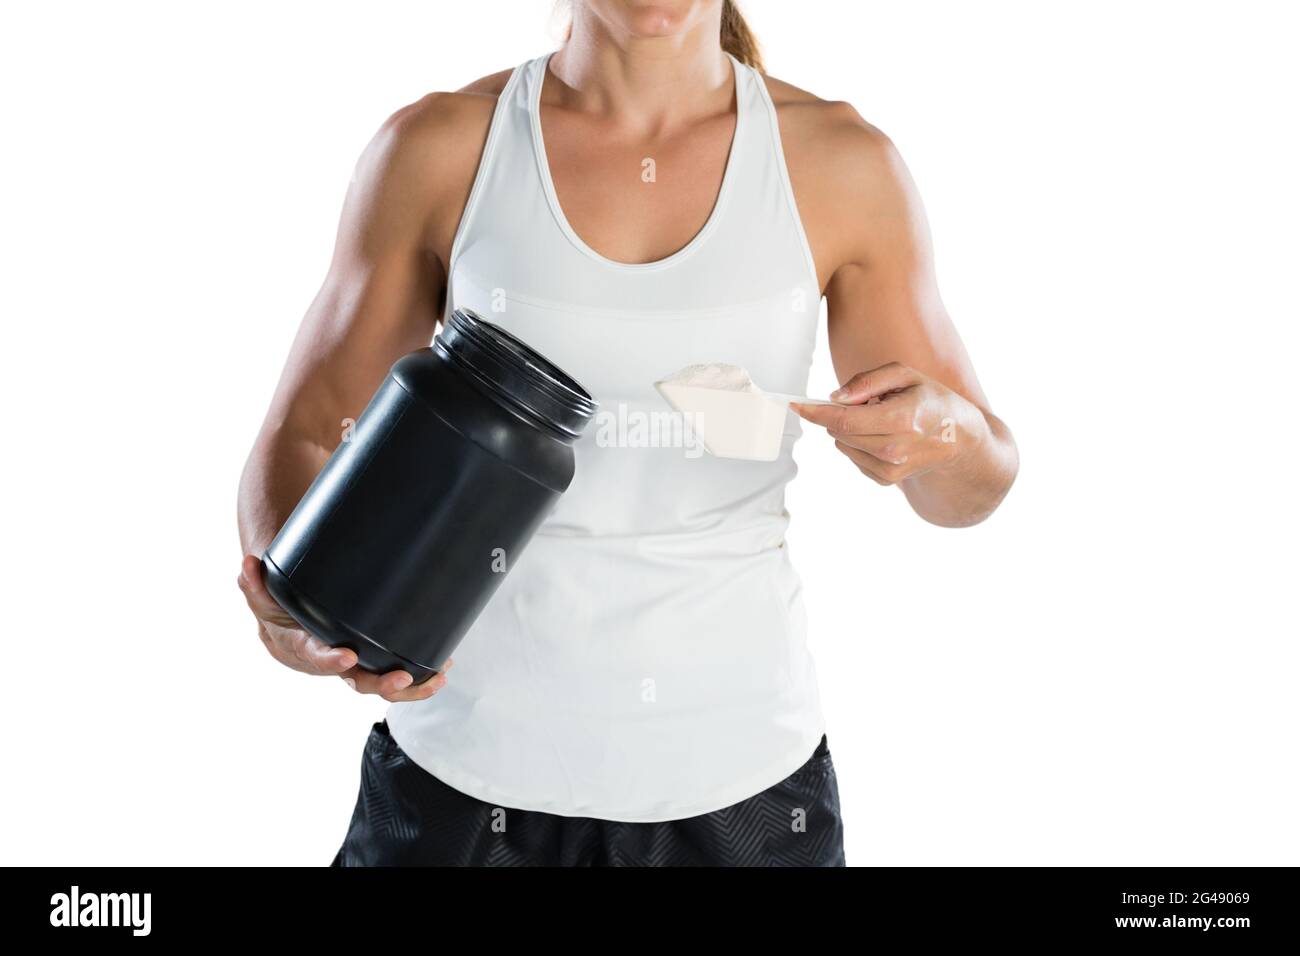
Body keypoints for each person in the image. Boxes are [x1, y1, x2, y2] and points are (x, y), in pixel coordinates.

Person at [237, 0, 1019, 866]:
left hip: (746, 794)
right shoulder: (437, 149)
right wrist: (299, 604)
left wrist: (945, 436)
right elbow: (310, 429)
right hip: (461, 784)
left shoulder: (841, 164)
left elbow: (975, 485)